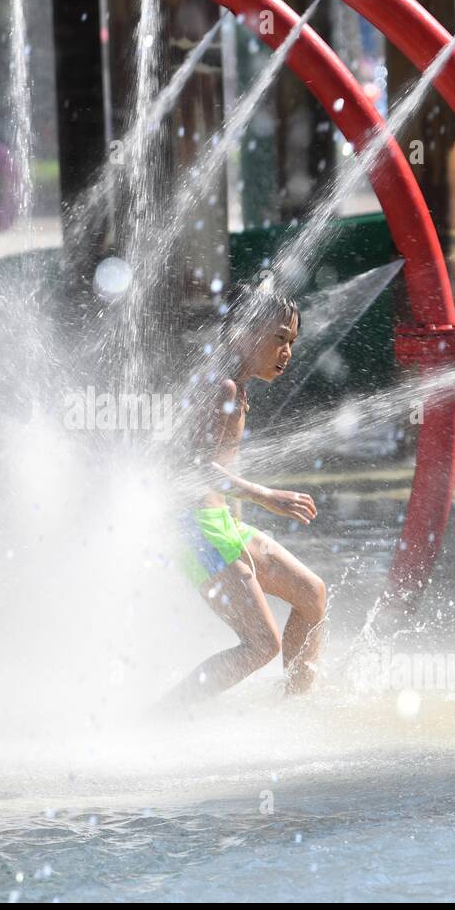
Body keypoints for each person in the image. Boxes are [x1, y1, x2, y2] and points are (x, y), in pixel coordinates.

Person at [163, 288, 328, 705]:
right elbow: (188, 465)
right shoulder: (222, 389)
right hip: (195, 532)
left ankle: (292, 707)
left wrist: (240, 520)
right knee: (260, 645)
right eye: (278, 338)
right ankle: (161, 719)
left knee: (311, 594)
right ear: (241, 334)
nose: (287, 351)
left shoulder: (239, 387)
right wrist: (266, 496)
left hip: (223, 526)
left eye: (291, 341)